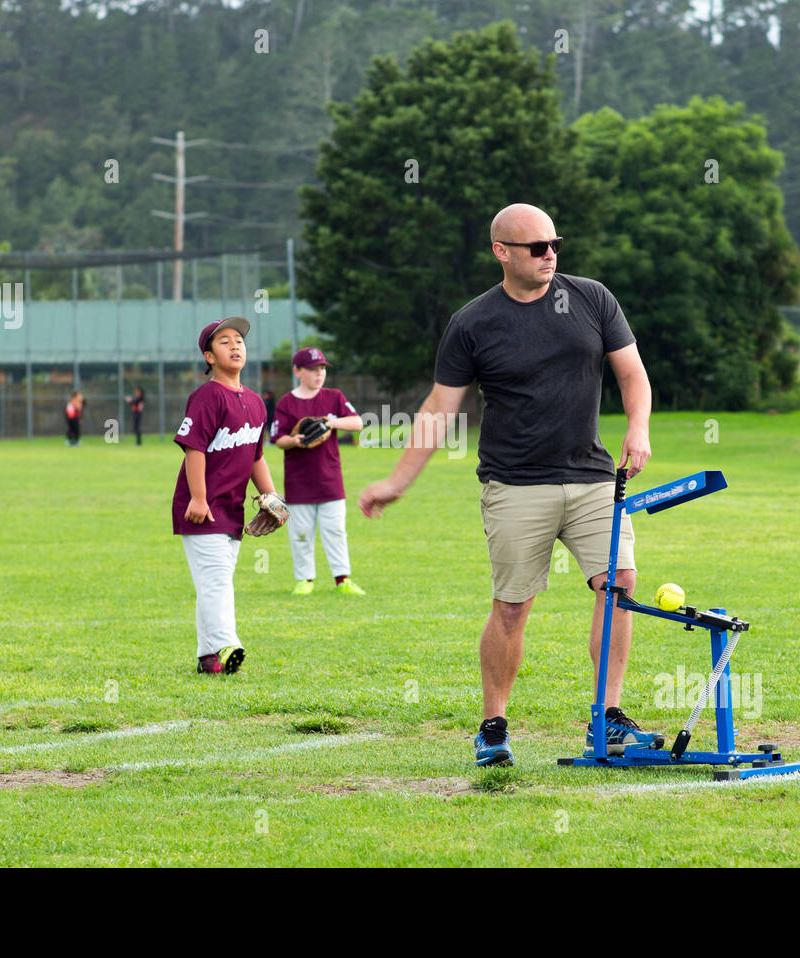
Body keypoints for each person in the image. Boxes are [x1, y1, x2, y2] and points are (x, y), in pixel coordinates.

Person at [359, 203, 654, 767]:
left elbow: (632, 373)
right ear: (501, 252)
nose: (550, 256)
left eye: (555, 245)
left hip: (593, 476)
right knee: (513, 607)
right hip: (515, 484)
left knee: (619, 584)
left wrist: (637, 430)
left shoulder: (592, 299)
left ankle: (607, 718)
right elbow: (439, 408)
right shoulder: (474, 322)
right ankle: (493, 725)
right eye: (536, 247)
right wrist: (398, 481)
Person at [173, 316, 281, 675]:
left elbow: (256, 456)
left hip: (232, 509)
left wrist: (270, 496)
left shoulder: (254, 400)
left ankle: (208, 658)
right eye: (224, 342)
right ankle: (227, 643)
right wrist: (199, 498)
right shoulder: (207, 396)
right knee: (216, 578)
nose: (235, 346)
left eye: (239, 340)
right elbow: (194, 449)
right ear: (208, 356)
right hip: (201, 508)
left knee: (214, 581)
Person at [270, 347, 366, 596]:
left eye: (322, 368)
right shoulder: (286, 402)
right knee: (301, 534)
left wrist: (331, 422)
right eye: (313, 369)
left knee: (335, 530)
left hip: (330, 478)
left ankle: (342, 579)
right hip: (299, 480)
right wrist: (296, 440)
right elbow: (277, 439)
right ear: (297, 371)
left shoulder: (334, 397)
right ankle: (305, 580)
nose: (319, 373)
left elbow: (357, 422)